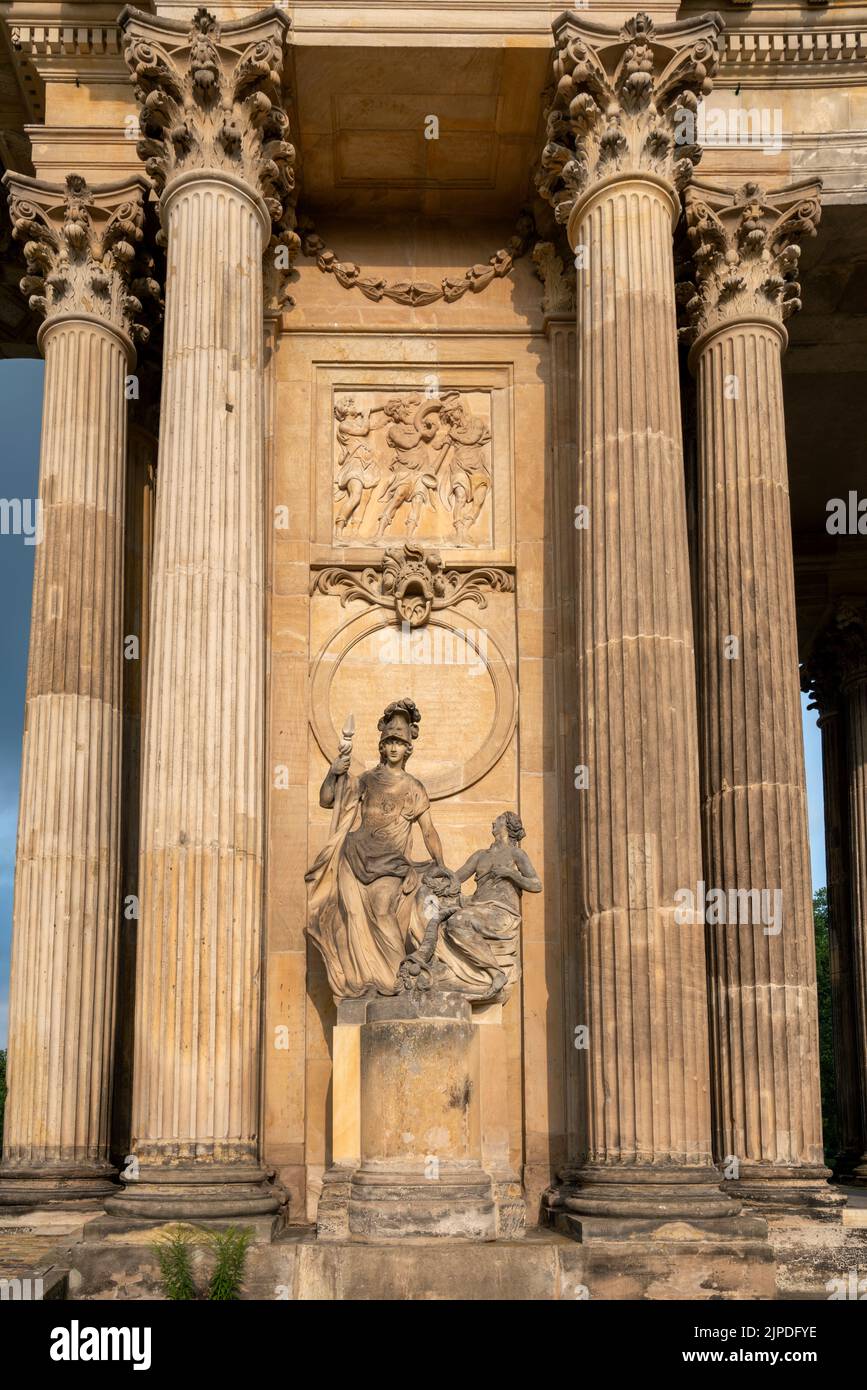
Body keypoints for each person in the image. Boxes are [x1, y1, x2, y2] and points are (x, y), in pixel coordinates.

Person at [305, 699, 444, 999]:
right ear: (383, 746)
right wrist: (334, 772)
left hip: (392, 864)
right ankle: (370, 981)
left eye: (400, 743)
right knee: (350, 923)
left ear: (408, 748)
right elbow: (329, 800)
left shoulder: (414, 787)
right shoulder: (367, 780)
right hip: (356, 857)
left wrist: (441, 863)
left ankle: (397, 980)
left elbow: (428, 830)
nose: (394, 748)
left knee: (383, 910)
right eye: (390, 742)